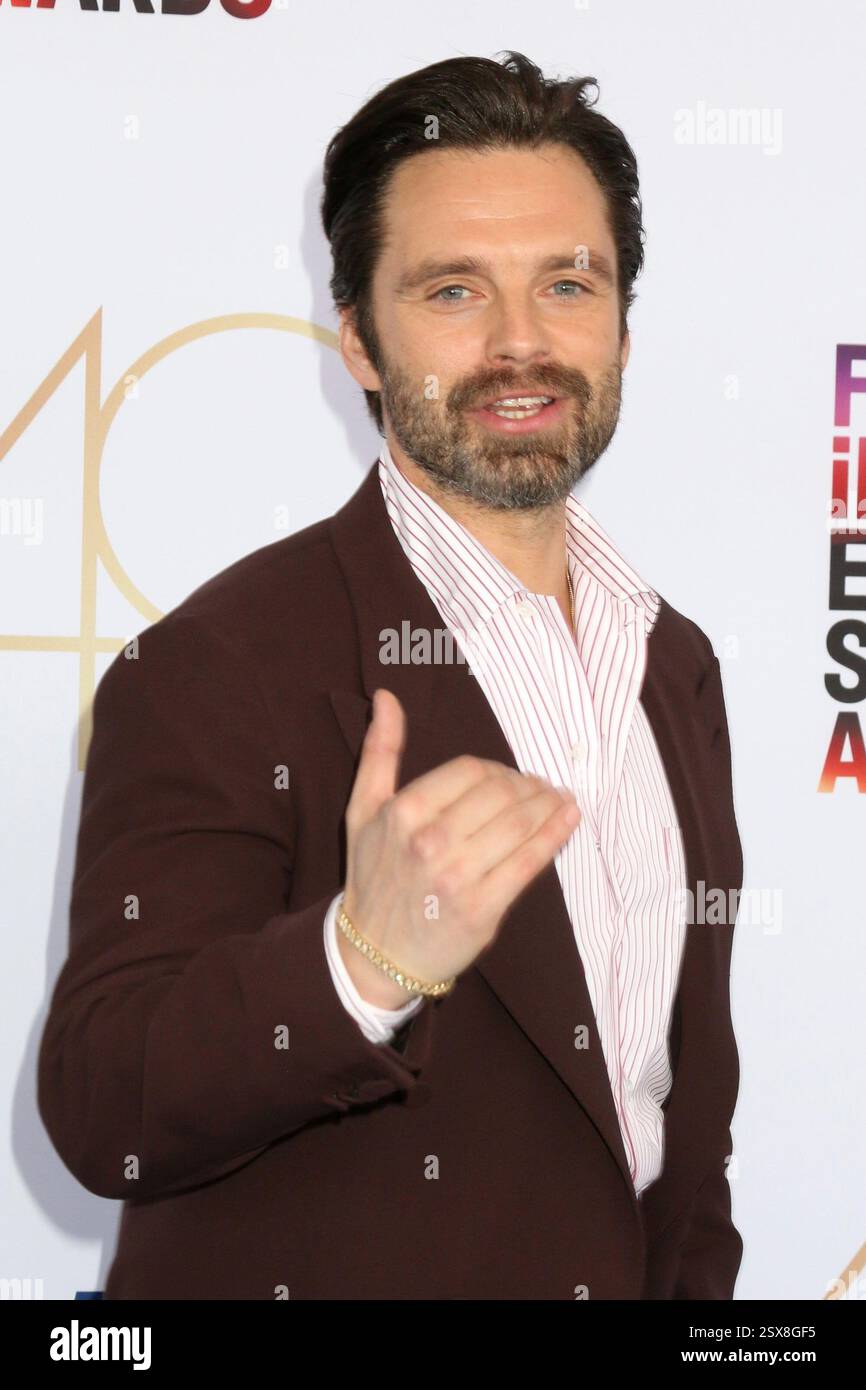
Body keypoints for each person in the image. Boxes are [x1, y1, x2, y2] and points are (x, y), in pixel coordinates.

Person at [38, 50, 743, 1299]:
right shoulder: (218, 667)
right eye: (454, 291)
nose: (521, 343)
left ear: (623, 322)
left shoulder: (669, 661)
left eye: (566, 283)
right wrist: (358, 963)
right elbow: (105, 1105)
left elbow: (669, 1122)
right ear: (359, 339)